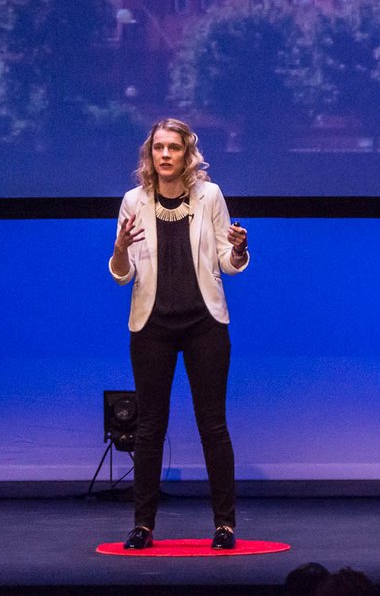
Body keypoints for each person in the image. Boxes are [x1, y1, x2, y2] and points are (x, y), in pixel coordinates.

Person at [109, 118, 250, 550]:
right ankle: (143, 526)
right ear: (149, 155)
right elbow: (123, 273)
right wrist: (118, 250)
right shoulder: (134, 200)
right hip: (152, 326)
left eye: (173, 148)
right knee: (149, 427)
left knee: (213, 425)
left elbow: (227, 260)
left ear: (188, 154)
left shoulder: (210, 196)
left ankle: (224, 525)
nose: (165, 155)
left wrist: (240, 248)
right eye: (158, 148)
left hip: (204, 322)